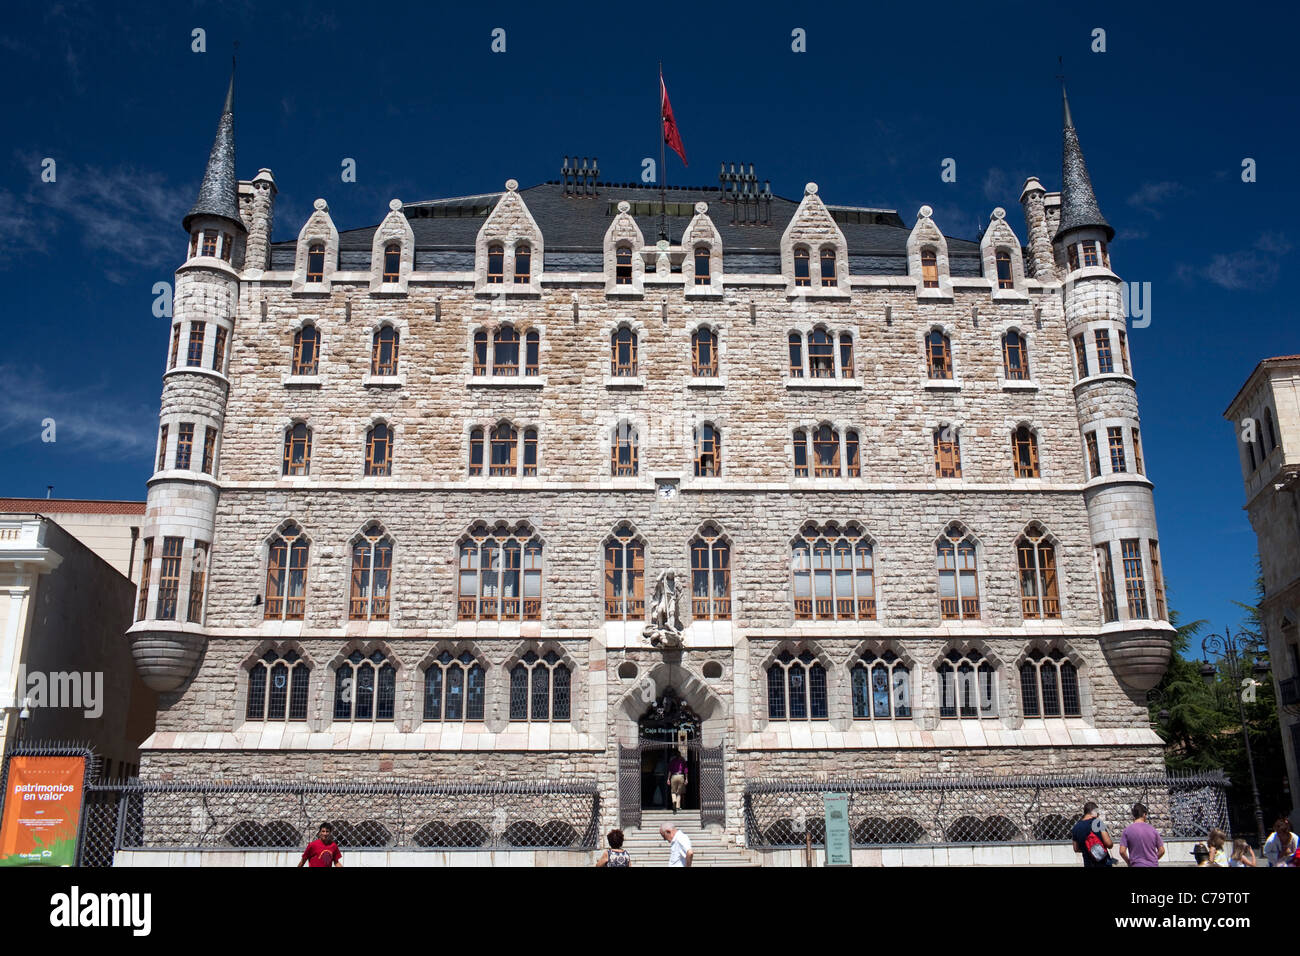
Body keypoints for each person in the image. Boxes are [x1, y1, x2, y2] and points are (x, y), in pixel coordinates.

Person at [1118, 803, 1165, 867]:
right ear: (1144, 814)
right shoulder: (1152, 830)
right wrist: (1153, 860)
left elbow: (1122, 851)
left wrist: (1129, 862)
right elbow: (1162, 850)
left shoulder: (1127, 830)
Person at [1070, 801, 1114, 867]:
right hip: (1103, 863)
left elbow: (1076, 848)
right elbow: (1109, 844)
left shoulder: (1076, 827)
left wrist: (1088, 849)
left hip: (1088, 863)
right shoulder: (1098, 823)